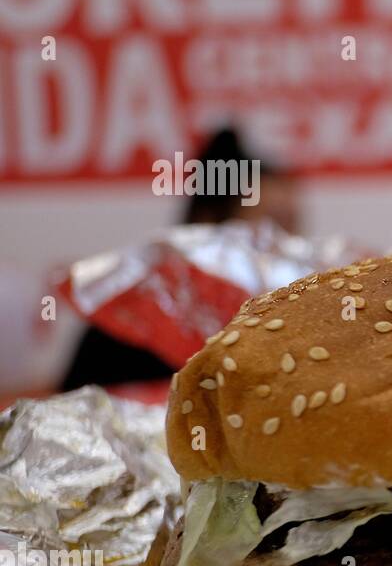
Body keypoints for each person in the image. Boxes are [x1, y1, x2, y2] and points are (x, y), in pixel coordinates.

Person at [60, 129, 299, 391]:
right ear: (205, 224)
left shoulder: (288, 322)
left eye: (290, 228)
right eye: (268, 228)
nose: (285, 246)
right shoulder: (136, 314)